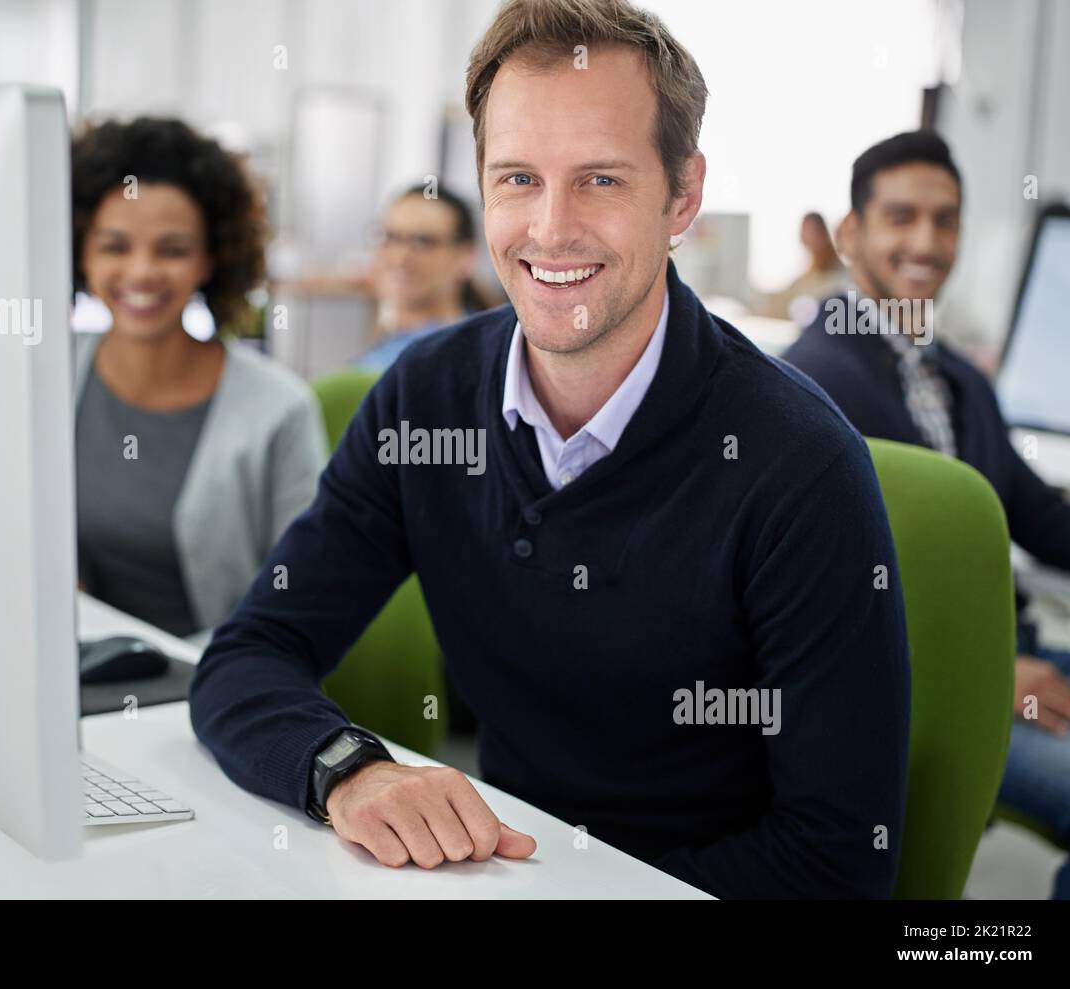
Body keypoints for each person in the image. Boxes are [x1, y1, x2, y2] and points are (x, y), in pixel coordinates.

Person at [189, 0, 909, 899]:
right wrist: (349, 769)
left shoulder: (798, 467)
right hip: (497, 875)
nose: (551, 228)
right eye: (518, 178)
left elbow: (839, 861)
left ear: (681, 195)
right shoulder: (426, 400)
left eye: (601, 179)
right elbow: (248, 652)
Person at [782, 129, 1070, 899]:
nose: (927, 241)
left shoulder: (957, 378)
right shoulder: (805, 386)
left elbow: (1038, 514)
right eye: (902, 216)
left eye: (945, 220)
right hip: (921, 681)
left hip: (1014, 651)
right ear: (851, 233)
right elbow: (824, 596)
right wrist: (994, 673)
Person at [71, 117, 327, 640]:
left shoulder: (278, 409)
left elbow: (303, 599)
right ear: (80, 250)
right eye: (115, 246)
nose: (142, 272)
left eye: (173, 250)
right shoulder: (43, 375)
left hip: (210, 687)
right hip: (66, 673)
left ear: (212, 258)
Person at [354, 184, 486, 371]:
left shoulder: (467, 357)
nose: (399, 257)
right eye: (389, 237)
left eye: (422, 242)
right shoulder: (388, 349)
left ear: (465, 257)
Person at [757, 212, 849, 321]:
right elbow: (780, 304)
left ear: (824, 234)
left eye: (814, 232)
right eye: (806, 233)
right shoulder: (805, 279)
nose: (810, 239)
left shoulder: (841, 277)